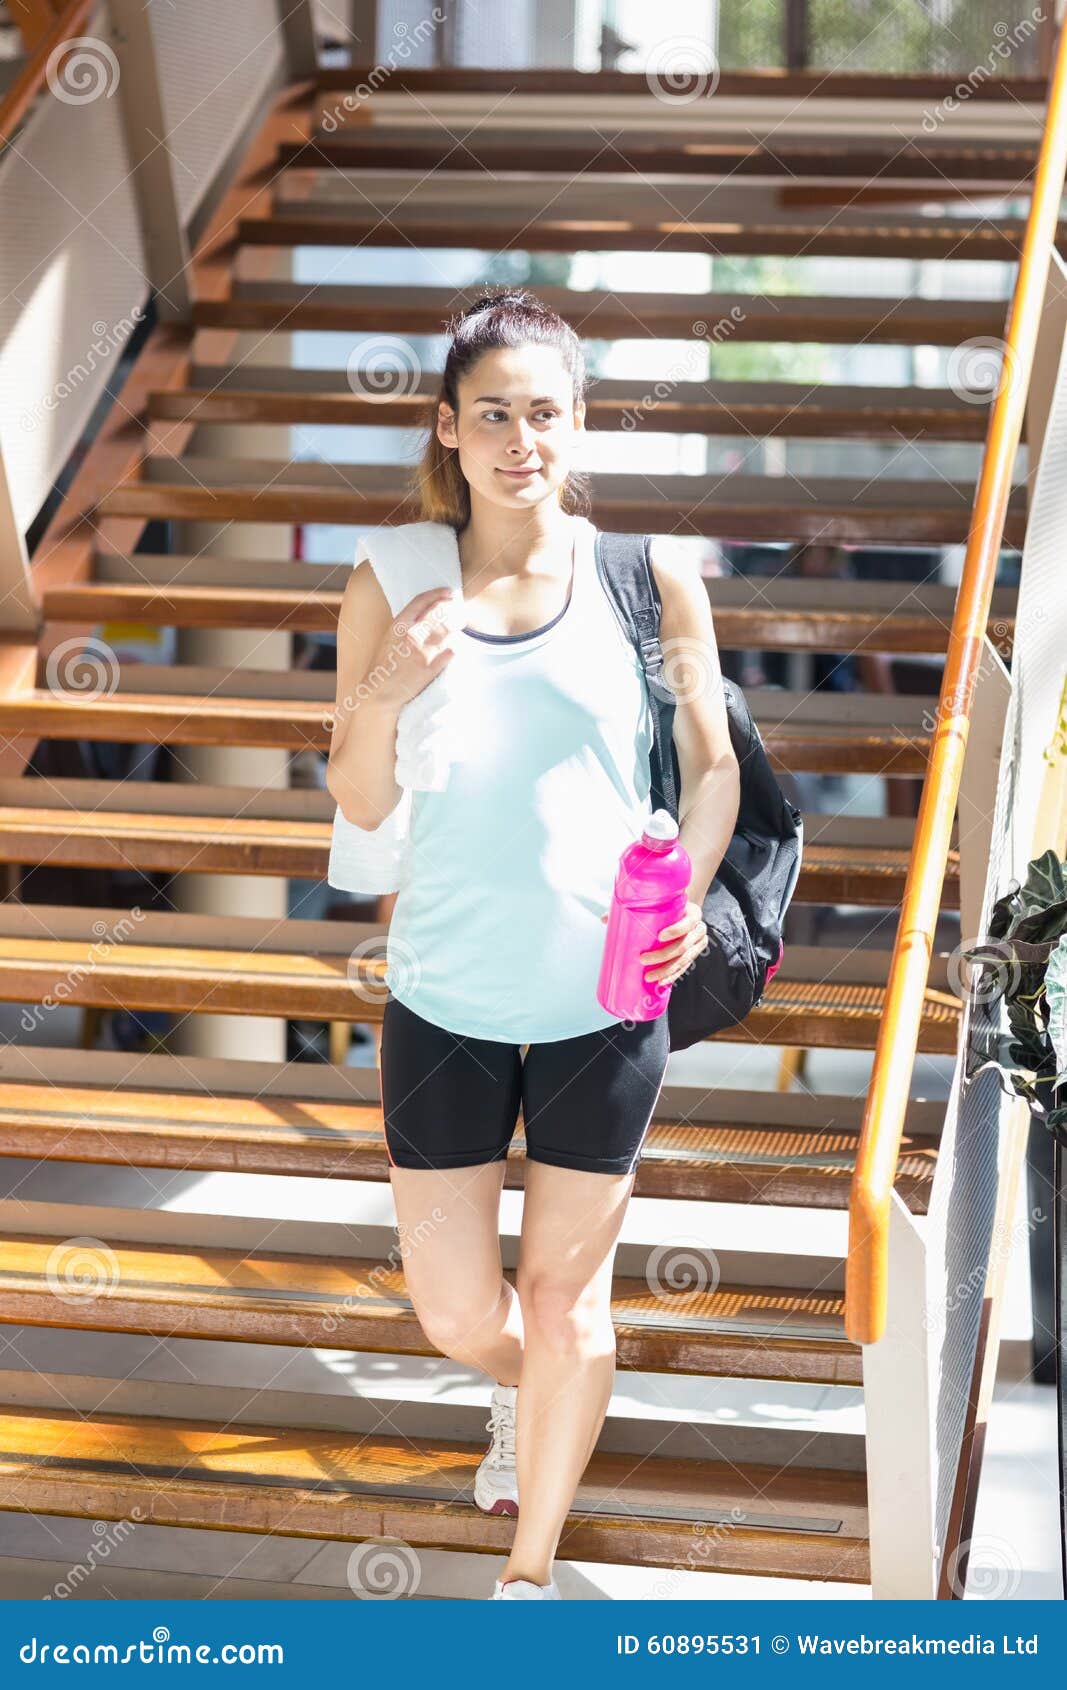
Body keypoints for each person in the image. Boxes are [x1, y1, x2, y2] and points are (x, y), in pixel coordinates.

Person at [326, 289, 739, 1600]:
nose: (521, 439)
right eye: (492, 412)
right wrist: (388, 685)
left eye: (544, 412)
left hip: (608, 989)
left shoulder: (647, 575)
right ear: (448, 427)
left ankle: (527, 1570)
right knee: (458, 1310)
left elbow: (712, 763)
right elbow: (360, 795)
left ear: (578, 423)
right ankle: (531, 1388)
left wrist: (694, 891)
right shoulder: (392, 576)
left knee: (568, 1306)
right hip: (443, 991)